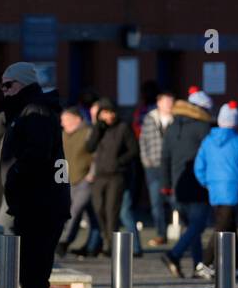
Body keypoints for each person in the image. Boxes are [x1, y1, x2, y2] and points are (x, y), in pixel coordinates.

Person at [0, 62, 70, 288]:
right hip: (36, 206)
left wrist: (14, 175)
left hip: (40, 208)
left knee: (34, 278)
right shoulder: (29, 111)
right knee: (34, 279)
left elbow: (36, 158)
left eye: (9, 85)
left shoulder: (35, 112)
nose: (4, 92)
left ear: (24, 85)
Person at [194, 102, 238, 281]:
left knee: (229, 226)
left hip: (214, 189)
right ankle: (205, 262)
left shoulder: (208, 141)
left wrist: (207, 182)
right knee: (222, 227)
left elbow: (199, 166)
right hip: (232, 188)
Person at [160, 87, 216, 278]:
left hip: (177, 185)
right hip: (199, 184)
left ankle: (198, 265)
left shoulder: (172, 125)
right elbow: (210, 157)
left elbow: (165, 157)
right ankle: (173, 254)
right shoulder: (204, 127)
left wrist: (166, 184)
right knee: (198, 226)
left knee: (192, 228)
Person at [86, 98, 139, 256]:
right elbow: (89, 147)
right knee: (98, 208)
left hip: (116, 176)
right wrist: (98, 129)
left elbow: (133, 150)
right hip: (99, 175)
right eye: (105, 113)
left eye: (111, 112)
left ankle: (110, 245)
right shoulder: (98, 128)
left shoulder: (123, 127)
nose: (109, 116)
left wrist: (119, 162)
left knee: (112, 211)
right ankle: (106, 238)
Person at [57, 106, 102, 258]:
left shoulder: (88, 132)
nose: (63, 124)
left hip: (85, 180)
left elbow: (96, 155)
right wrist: (60, 179)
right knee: (91, 216)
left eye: (66, 120)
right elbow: (60, 158)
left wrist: (92, 174)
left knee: (74, 211)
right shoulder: (62, 135)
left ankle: (64, 242)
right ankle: (93, 245)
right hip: (68, 180)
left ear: (77, 119)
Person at [139, 90, 176, 248]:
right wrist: (146, 161)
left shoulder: (176, 120)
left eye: (171, 102)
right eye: (166, 102)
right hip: (153, 166)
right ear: (159, 102)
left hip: (171, 166)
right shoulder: (149, 118)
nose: (169, 105)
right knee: (156, 202)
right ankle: (161, 234)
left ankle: (180, 229)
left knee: (175, 200)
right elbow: (143, 140)